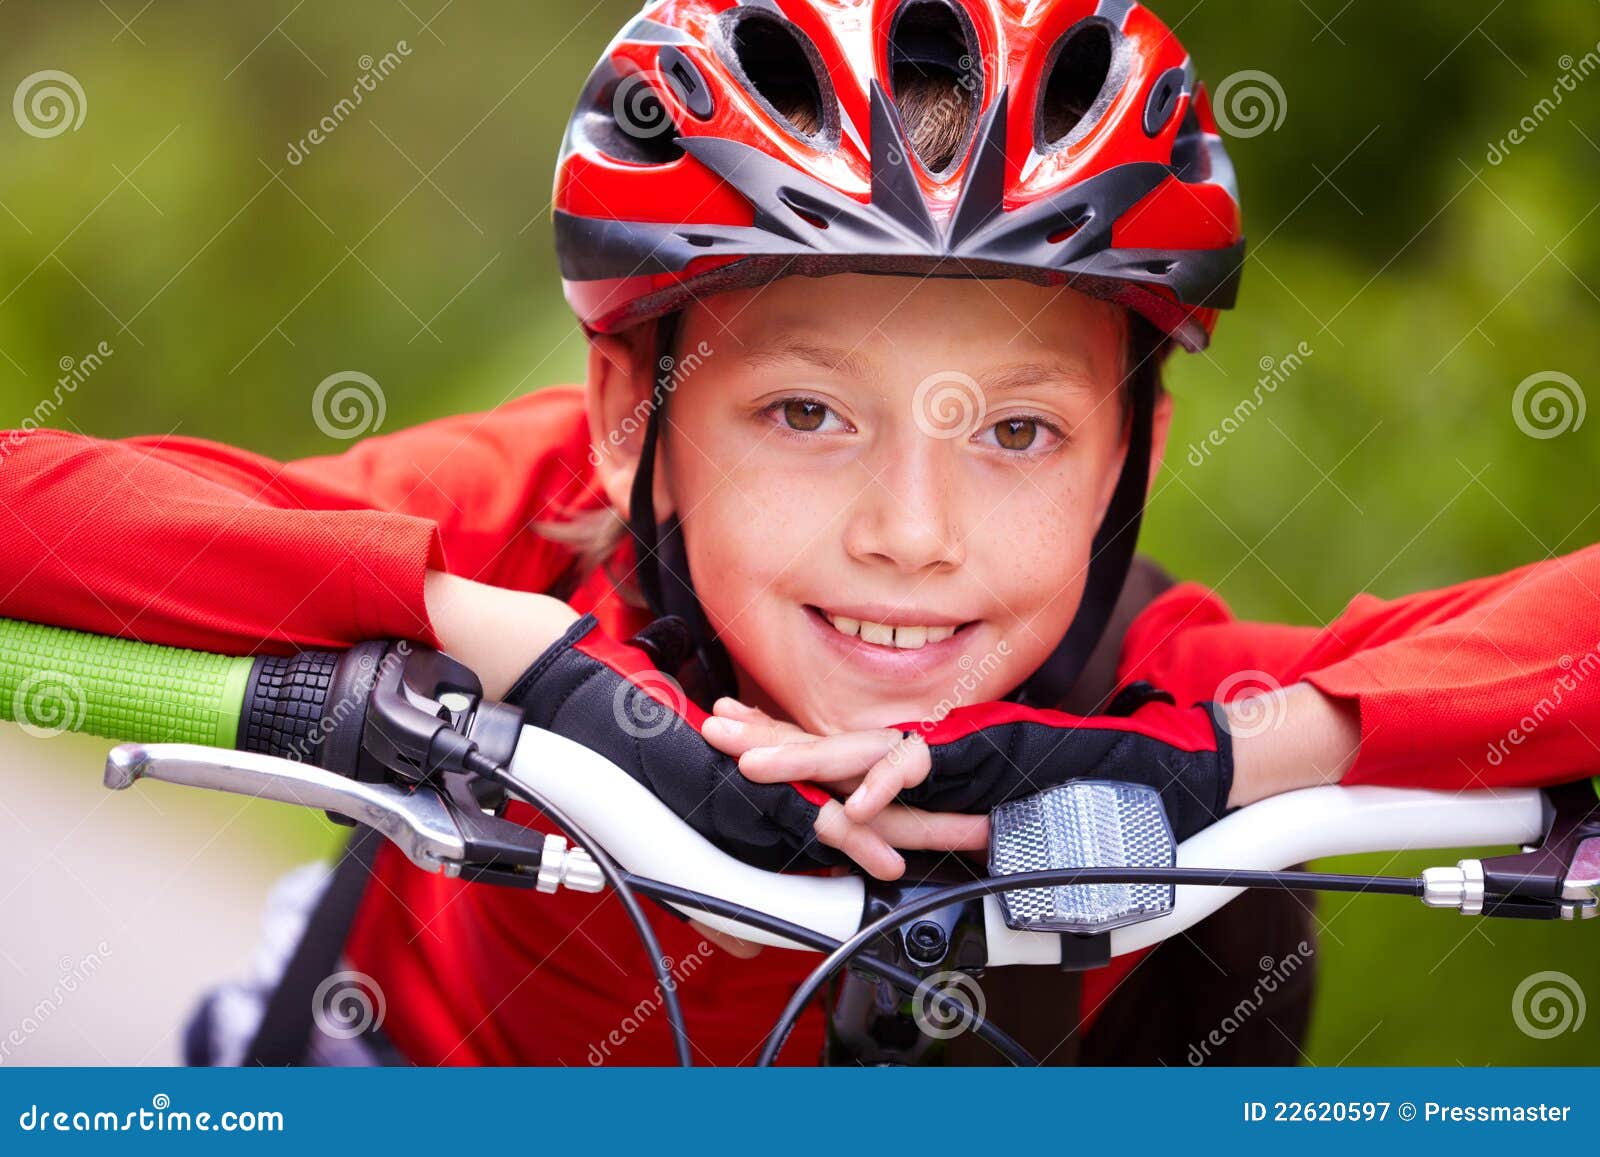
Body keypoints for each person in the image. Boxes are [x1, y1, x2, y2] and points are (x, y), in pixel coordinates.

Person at [1, 0, 1596, 1066]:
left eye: (1020, 434)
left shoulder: (1140, 684)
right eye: (807, 414)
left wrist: (1240, 759)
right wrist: (510, 652)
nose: (914, 534)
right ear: (637, 409)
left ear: (1134, 456)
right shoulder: (532, 509)